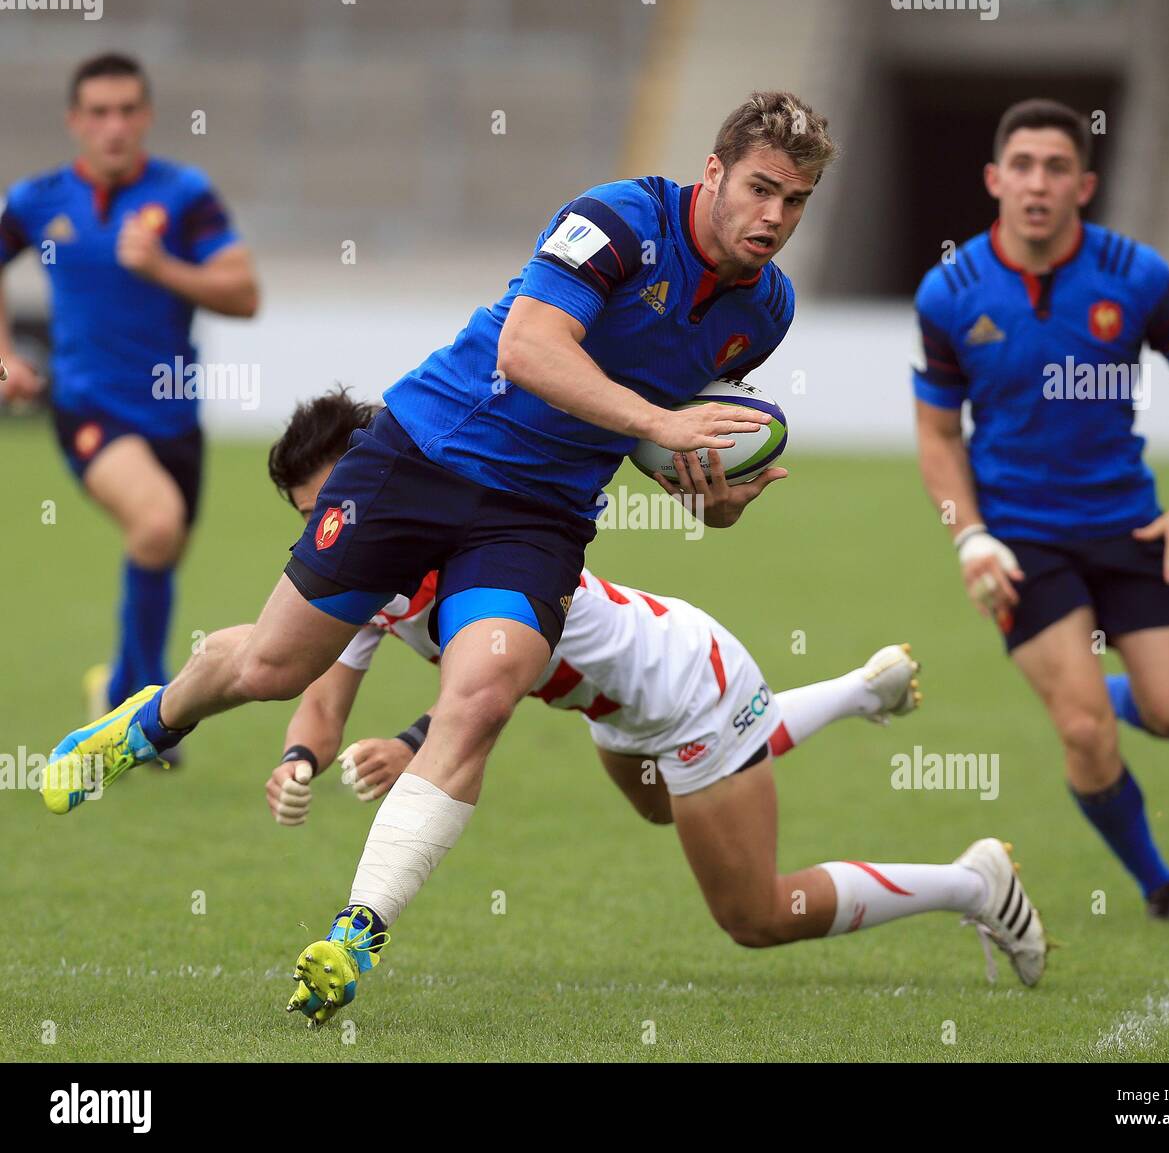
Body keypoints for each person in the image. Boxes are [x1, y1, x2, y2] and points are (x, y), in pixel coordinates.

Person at [42, 91, 840, 1020]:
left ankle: (354, 935)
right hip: (424, 451)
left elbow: (655, 438)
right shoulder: (616, 218)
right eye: (761, 189)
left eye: (798, 201)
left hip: (539, 514)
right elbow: (533, 346)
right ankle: (145, 723)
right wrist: (661, 422)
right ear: (714, 173)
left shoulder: (767, 308)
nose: (775, 218)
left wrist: (709, 497)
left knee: (486, 690)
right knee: (270, 663)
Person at [256, 390, 1044, 1027]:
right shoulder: (363, 581)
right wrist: (298, 759)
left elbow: (491, 688)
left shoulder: (460, 544)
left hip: (690, 688)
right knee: (663, 810)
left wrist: (411, 740)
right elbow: (318, 702)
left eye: (335, 503)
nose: (326, 530)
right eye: (306, 518)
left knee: (755, 913)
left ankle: (973, 883)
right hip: (620, 708)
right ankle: (857, 691)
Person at [911, 99, 1169, 919]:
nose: (1038, 183)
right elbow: (935, 432)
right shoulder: (949, 293)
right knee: (1086, 735)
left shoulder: (1135, 276)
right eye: (1022, 166)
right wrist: (971, 538)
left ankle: (1090, 684)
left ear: (1084, 185)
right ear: (994, 180)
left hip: (1129, 523)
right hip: (1023, 542)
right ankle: (1158, 886)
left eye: (1056, 168)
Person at [0, 54, 258, 749]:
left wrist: (163, 267)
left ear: (144, 117)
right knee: (156, 523)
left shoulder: (183, 195)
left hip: (174, 417)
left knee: (163, 544)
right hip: (88, 407)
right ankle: (146, 721)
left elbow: (244, 294)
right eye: (98, 112)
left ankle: (119, 692)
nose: (112, 126)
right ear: (75, 121)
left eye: (125, 111)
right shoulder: (37, 199)